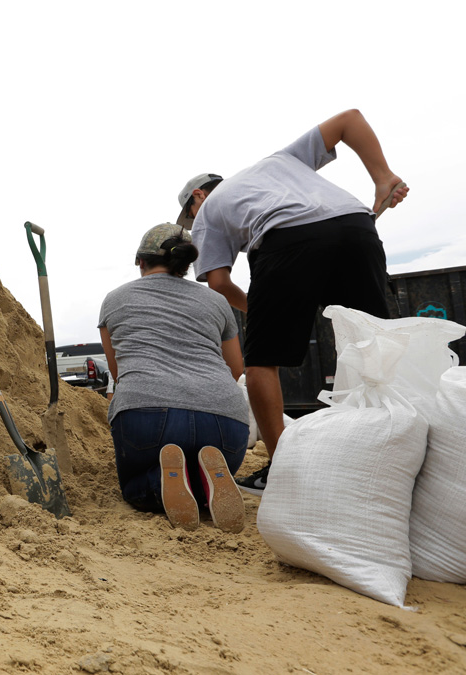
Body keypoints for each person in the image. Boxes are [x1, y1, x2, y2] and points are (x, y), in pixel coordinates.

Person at [185, 109, 408, 496]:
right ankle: (395, 442)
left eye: (190, 213)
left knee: (260, 362)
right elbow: (350, 119)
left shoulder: (207, 212)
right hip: (356, 225)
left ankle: (282, 469)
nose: (193, 221)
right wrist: (382, 177)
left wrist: (261, 310)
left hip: (286, 238)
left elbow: (219, 283)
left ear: (198, 196)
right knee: (372, 344)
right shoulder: (279, 162)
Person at [99, 224, 250, 532]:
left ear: (141, 261)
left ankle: (161, 482)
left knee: (133, 487)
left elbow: (119, 373)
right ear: (185, 264)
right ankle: (206, 484)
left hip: (147, 415)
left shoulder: (115, 299)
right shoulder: (217, 302)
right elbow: (236, 369)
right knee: (209, 466)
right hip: (224, 420)